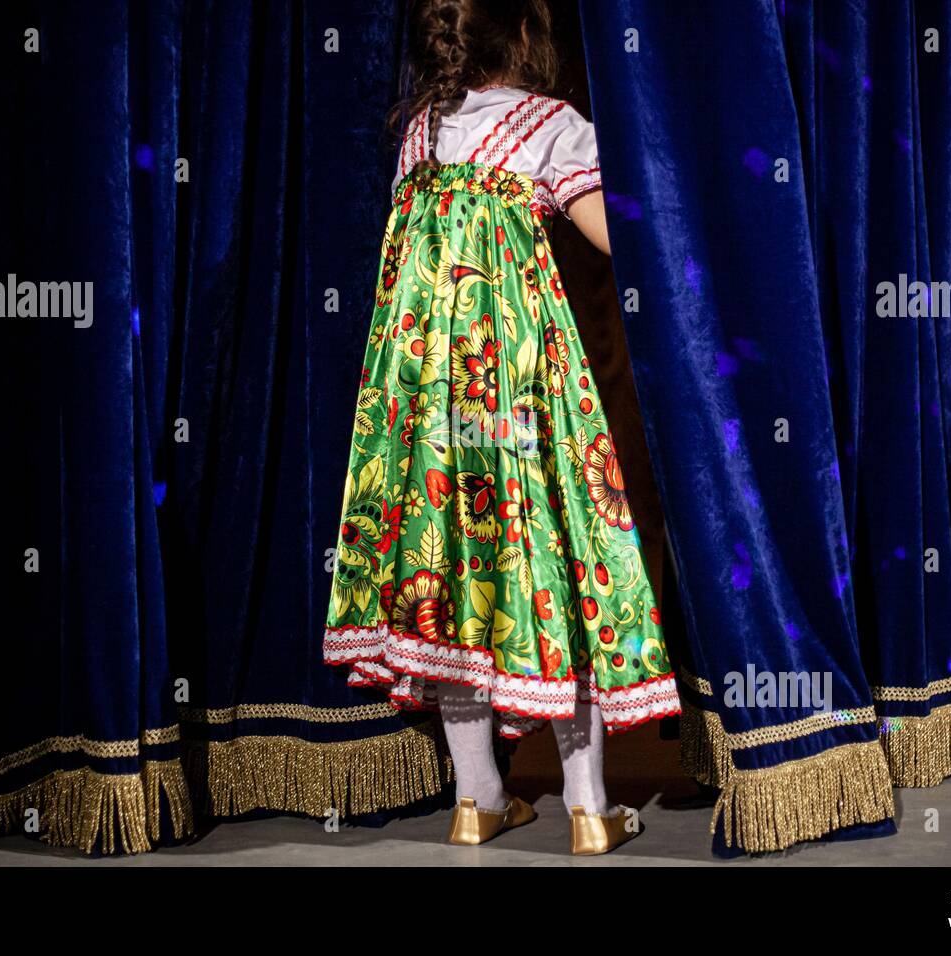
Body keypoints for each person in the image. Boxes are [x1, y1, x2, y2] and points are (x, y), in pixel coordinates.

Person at [322, 0, 680, 855]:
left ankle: (478, 800)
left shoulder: (418, 136)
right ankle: (588, 807)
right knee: (555, 564)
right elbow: (614, 240)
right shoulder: (549, 125)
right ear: (525, 38)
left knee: (455, 581)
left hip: (431, 412)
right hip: (517, 394)